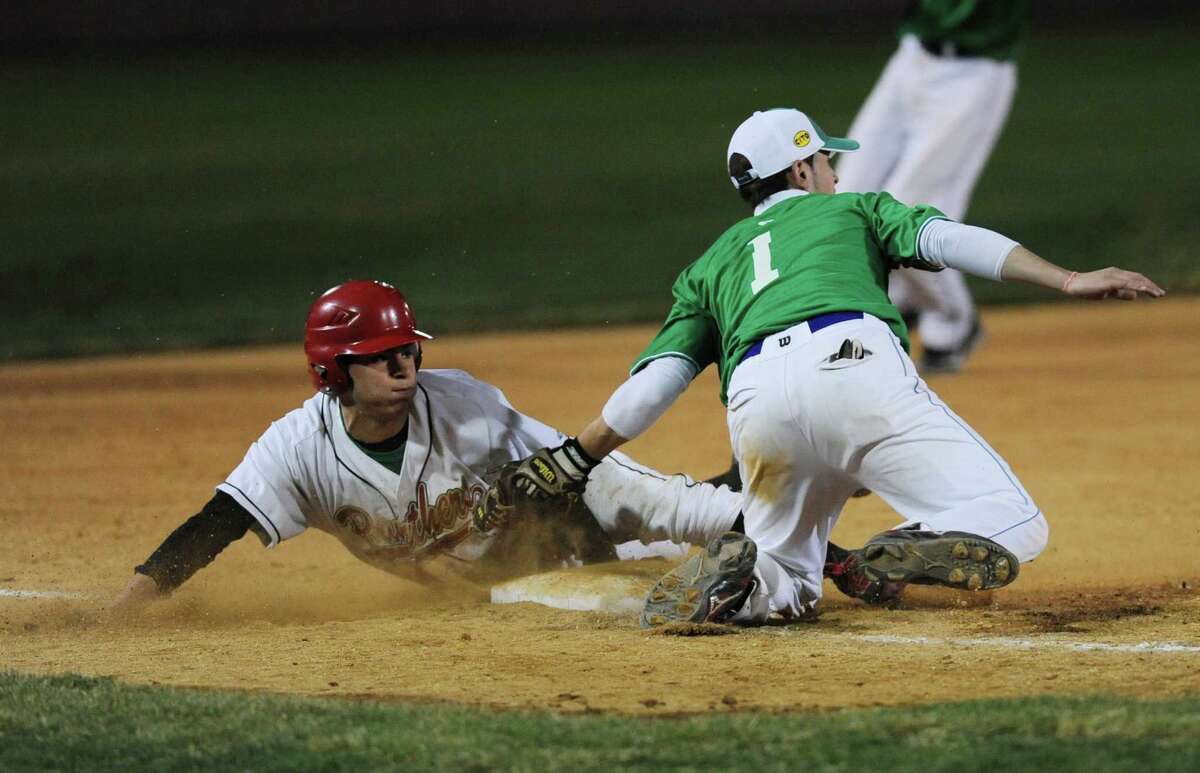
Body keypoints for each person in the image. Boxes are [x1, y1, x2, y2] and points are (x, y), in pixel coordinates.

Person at [496, 108, 1164, 627]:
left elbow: (655, 385)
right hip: (853, 367)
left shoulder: (710, 265)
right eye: (824, 159)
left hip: (756, 403)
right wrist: (1068, 278)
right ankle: (914, 542)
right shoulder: (854, 209)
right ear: (798, 172)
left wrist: (574, 459)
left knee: (789, 581)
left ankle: (745, 583)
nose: (834, 173)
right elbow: (945, 239)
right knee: (1015, 522)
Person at [110, 280, 747, 611]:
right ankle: (737, 485)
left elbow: (565, 477)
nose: (403, 366)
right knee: (673, 537)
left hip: (564, 534)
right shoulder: (297, 449)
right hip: (503, 578)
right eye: (379, 356)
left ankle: (765, 509)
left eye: (408, 350)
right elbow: (216, 523)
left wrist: (597, 568)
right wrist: (129, 607)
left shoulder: (462, 404)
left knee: (664, 512)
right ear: (332, 371)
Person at [836, 0, 1029, 374]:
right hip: (911, 57)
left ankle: (954, 323)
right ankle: (903, 298)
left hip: (974, 71)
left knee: (909, 210)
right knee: (846, 195)